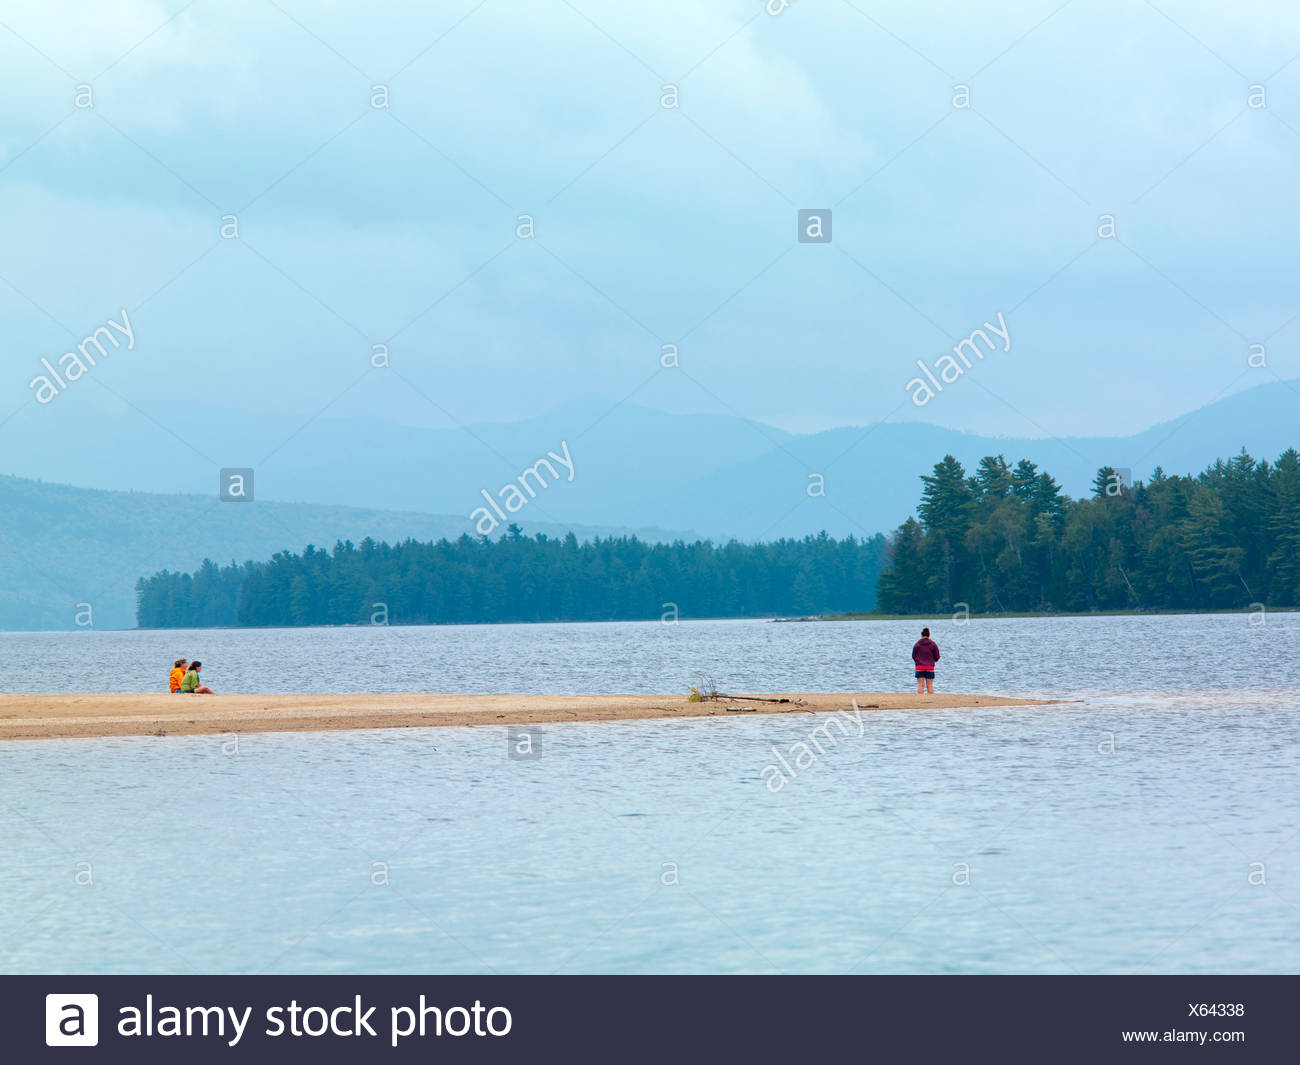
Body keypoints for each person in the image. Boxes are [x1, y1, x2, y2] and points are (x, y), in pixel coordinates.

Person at [912, 627, 940, 695]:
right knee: (929, 685)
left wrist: (917, 662)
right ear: (929, 635)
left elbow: (913, 656)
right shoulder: (933, 644)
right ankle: (930, 700)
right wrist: (933, 660)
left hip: (919, 667)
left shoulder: (917, 644)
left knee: (920, 685)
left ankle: (920, 700)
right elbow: (937, 657)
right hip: (930, 667)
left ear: (921, 635)